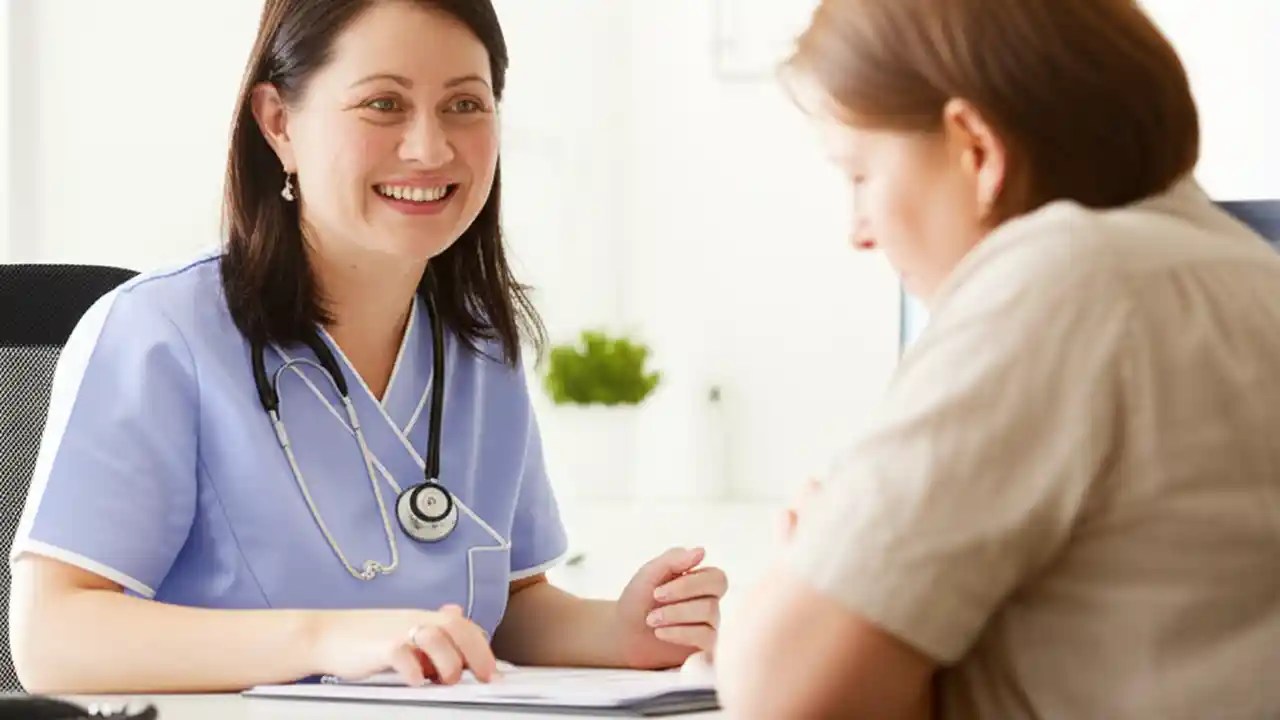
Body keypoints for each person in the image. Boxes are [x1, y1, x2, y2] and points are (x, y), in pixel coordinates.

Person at [8, 0, 726, 694]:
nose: (430, 147)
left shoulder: (476, 348)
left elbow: (508, 610)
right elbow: (53, 640)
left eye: (465, 104)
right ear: (279, 122)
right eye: (383, 104)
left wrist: (624, 632)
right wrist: (328, 640)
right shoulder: (159, 334)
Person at [715, 0, 1280, 717]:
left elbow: (783, 690)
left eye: (859, 175)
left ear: (974, 150)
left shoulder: (1065, 277)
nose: (857, 232)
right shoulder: (1251, 274)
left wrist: (821, 557)